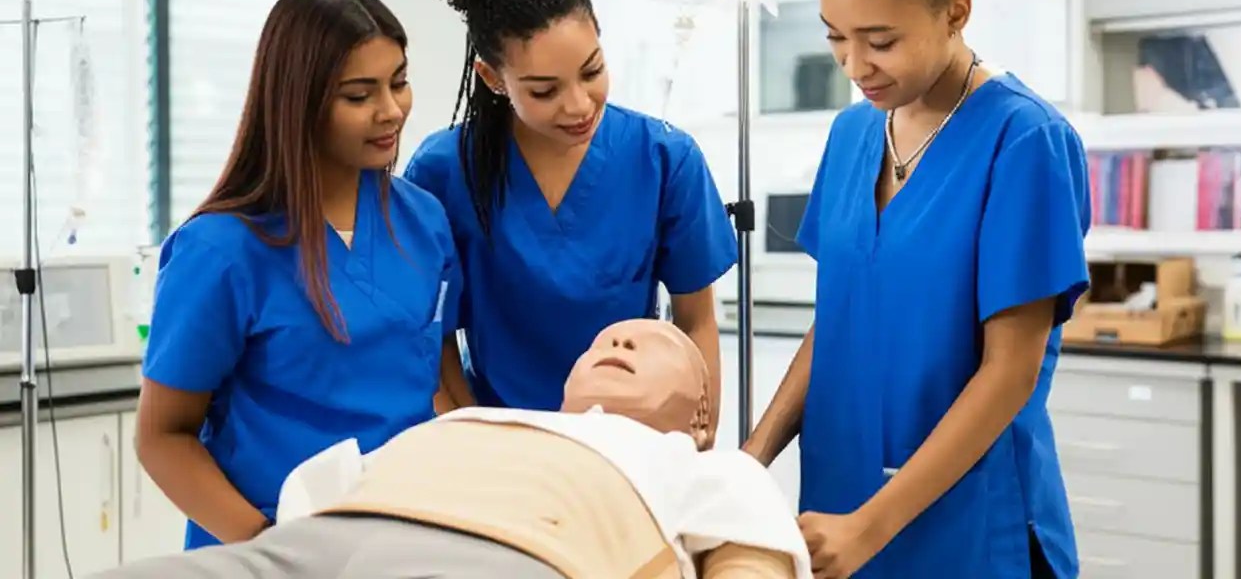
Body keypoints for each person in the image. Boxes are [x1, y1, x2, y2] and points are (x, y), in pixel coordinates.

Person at [742, 0, 1091, 578]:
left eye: (881, 40)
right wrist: (751, 461)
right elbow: (835, 319)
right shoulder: (851, 135)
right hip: (838, 505)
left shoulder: (1021, 142)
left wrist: (873, 525)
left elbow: (1010, 373)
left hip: (965, 521)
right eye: (836, 36)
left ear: (955, 12)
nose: (854, 65)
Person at [92, 320, 810, 579]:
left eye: (647, 343)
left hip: (513, 552)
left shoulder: (700, 464)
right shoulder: (478, 422)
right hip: (317, 540)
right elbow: (317, 493)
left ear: (703, 416)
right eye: (601, 342)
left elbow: (752, 555)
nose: (618, 341)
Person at [135, 0, 461, 550]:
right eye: (359, 96)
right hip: (270, 548)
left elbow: (431, 382)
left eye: (399, 82)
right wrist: (270, 546)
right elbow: (163, 437)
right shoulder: (221, 251)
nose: (391, 111)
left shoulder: (423, 221)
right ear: (299, 101)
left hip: (403, 539)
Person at [403, 0, 736, 430]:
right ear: (493, 79)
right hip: (499, 437)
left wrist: (694, 442)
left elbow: (696, 325)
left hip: (631, 442)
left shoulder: (664, 158)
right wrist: (483, 441)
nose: (579, 105)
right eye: (544, 90)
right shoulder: (444, 172)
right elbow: (434, 338)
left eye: (592, 70)